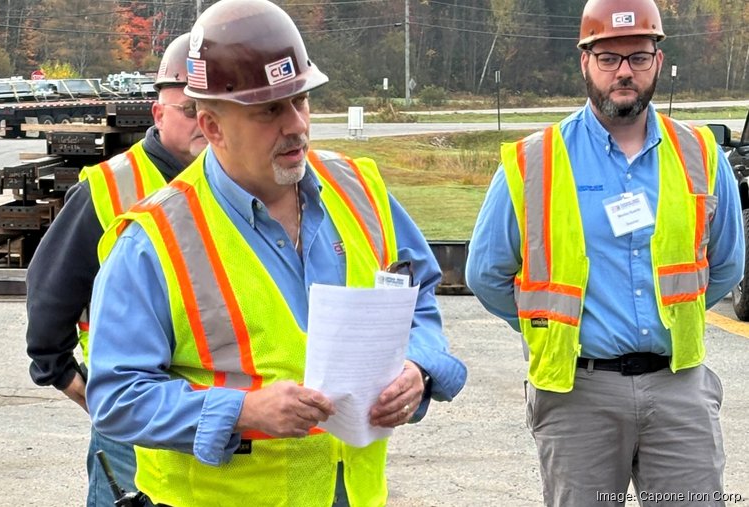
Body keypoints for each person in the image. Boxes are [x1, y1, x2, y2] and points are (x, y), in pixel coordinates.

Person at [85, 1, 467, 505]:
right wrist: (242, 412)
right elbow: (117, 398)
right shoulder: (153, 240)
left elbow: (418, 299)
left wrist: (419, 366)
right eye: (269, 110)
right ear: (213, 126)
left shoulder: (359, 191)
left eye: (300, 100)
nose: (296, 125)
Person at [466, 0, 744, 504]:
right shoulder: (535, 160)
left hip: (678, 387)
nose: (624, 71)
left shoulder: (701, 153)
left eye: (638, 57)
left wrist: (674, 316)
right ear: (585, 62)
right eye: (608, 58)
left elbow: (725, 264)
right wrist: (550, 325)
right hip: (579, 395)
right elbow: (486, 274)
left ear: (658, 61)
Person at [25, 33, 206, 507]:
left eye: (217, 109)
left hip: (223, 418)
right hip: (136, 423)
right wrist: (76, 384)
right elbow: (49, 301)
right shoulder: (111, 188)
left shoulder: (241, 185)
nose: (205, 123)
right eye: (190, 110)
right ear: (158, 113)